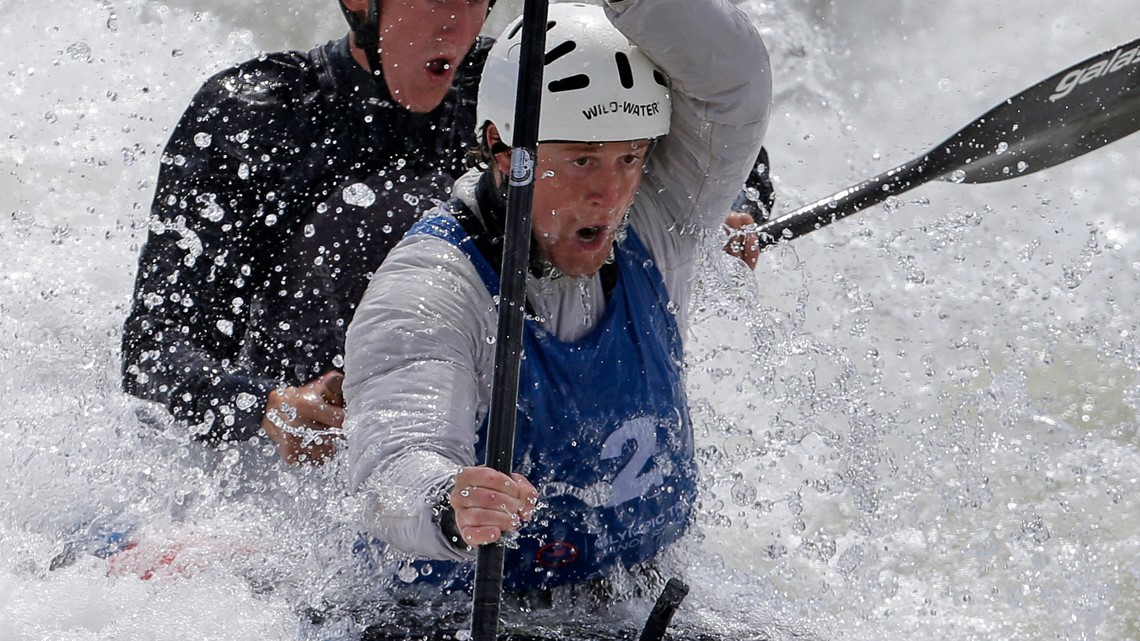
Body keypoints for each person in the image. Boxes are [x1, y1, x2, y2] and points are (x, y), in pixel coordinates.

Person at [342, 0, 769, 617]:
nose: (609, 193)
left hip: (635, 602)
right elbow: (391, 465)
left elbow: (736, 80)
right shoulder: (428, 286)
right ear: (499, 148)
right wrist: (448, 503)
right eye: (581, 160)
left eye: (629, 158)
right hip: (439, 615)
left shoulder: (659, 225)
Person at [120, 0, 495, 464]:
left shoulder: (512, 95)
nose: (458, 22)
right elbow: (152, 349)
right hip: (285, 468)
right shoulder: (255, 113)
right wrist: (266, 405)